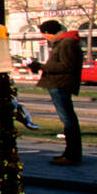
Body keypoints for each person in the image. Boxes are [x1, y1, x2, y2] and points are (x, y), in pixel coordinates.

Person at [37, 20, 83, 166]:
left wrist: (43, 66)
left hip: (61, 84)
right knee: (68, 120)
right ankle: (70, 153)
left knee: (68, 121)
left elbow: (67, 65)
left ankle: (73, 155)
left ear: (49, 33)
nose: (45, 38)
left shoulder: (66, 43)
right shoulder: (65, 42)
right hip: (59, 84)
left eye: (44, 34)